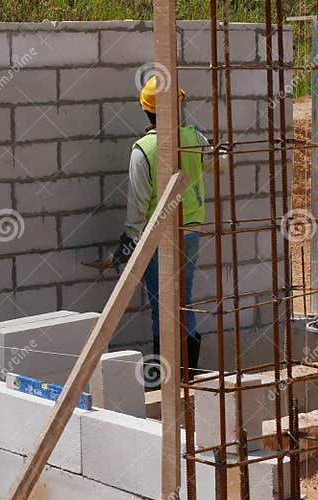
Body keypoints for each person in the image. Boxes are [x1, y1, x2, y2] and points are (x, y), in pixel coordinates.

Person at [112, 75, 224, 388]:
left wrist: (129, 239)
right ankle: (186, 375)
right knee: (183, 301)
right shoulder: (192, 137)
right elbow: (221, 165)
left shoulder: (143, 150)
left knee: (162, 306)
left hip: (158, 238)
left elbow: (137, 205)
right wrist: (220, 150)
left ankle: (168, 380)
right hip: (190, 232)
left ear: (145, 110)